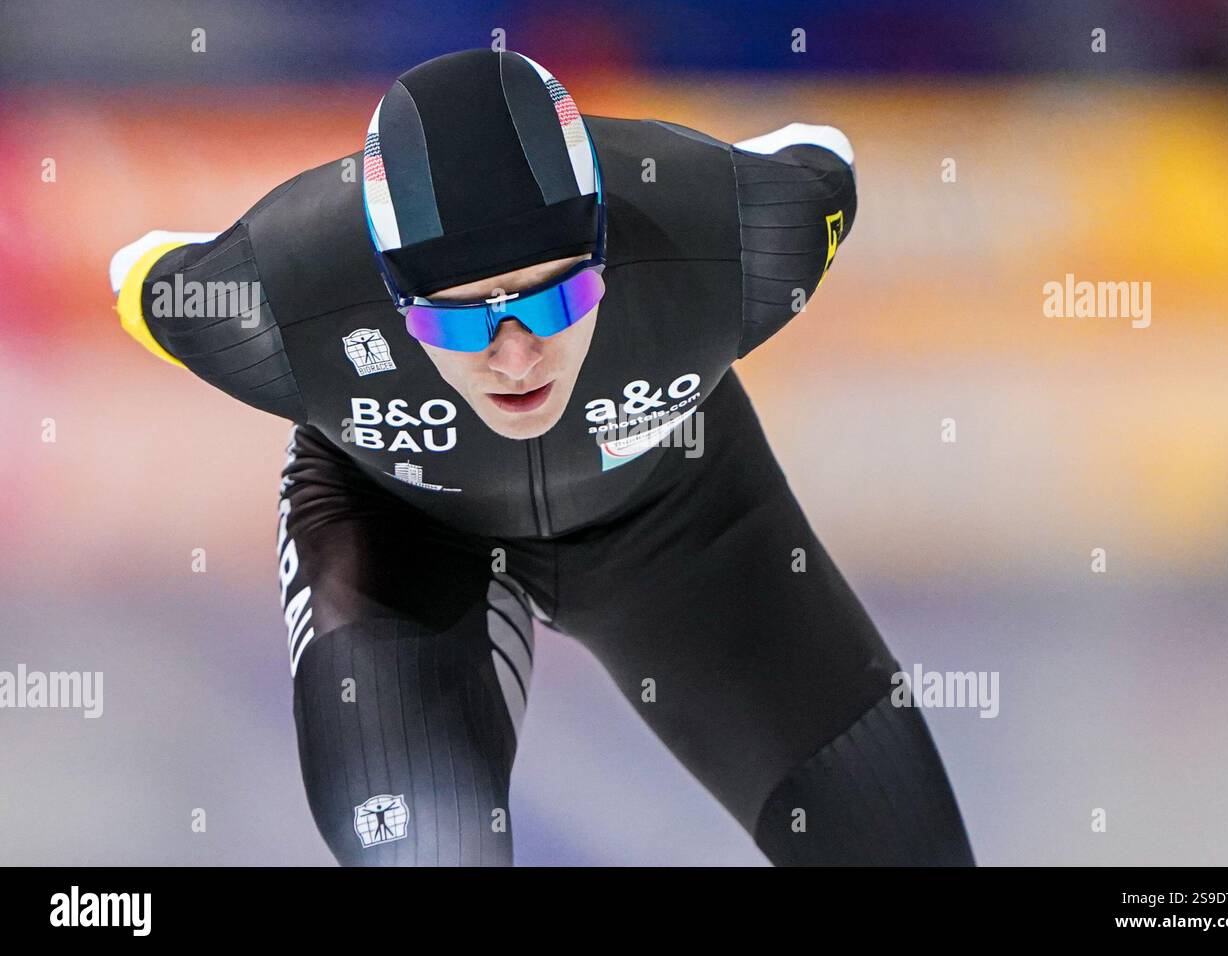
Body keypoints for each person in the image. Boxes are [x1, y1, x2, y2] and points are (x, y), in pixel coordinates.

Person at [110, 48, 975, 866]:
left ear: (605, 242)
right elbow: (136, 271)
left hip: (681, 527)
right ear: (386, 292)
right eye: (457, 320)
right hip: (405, 538)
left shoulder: (737, 235)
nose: (517, 357)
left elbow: (817, 154)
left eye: (560, 296)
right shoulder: (277, 301)